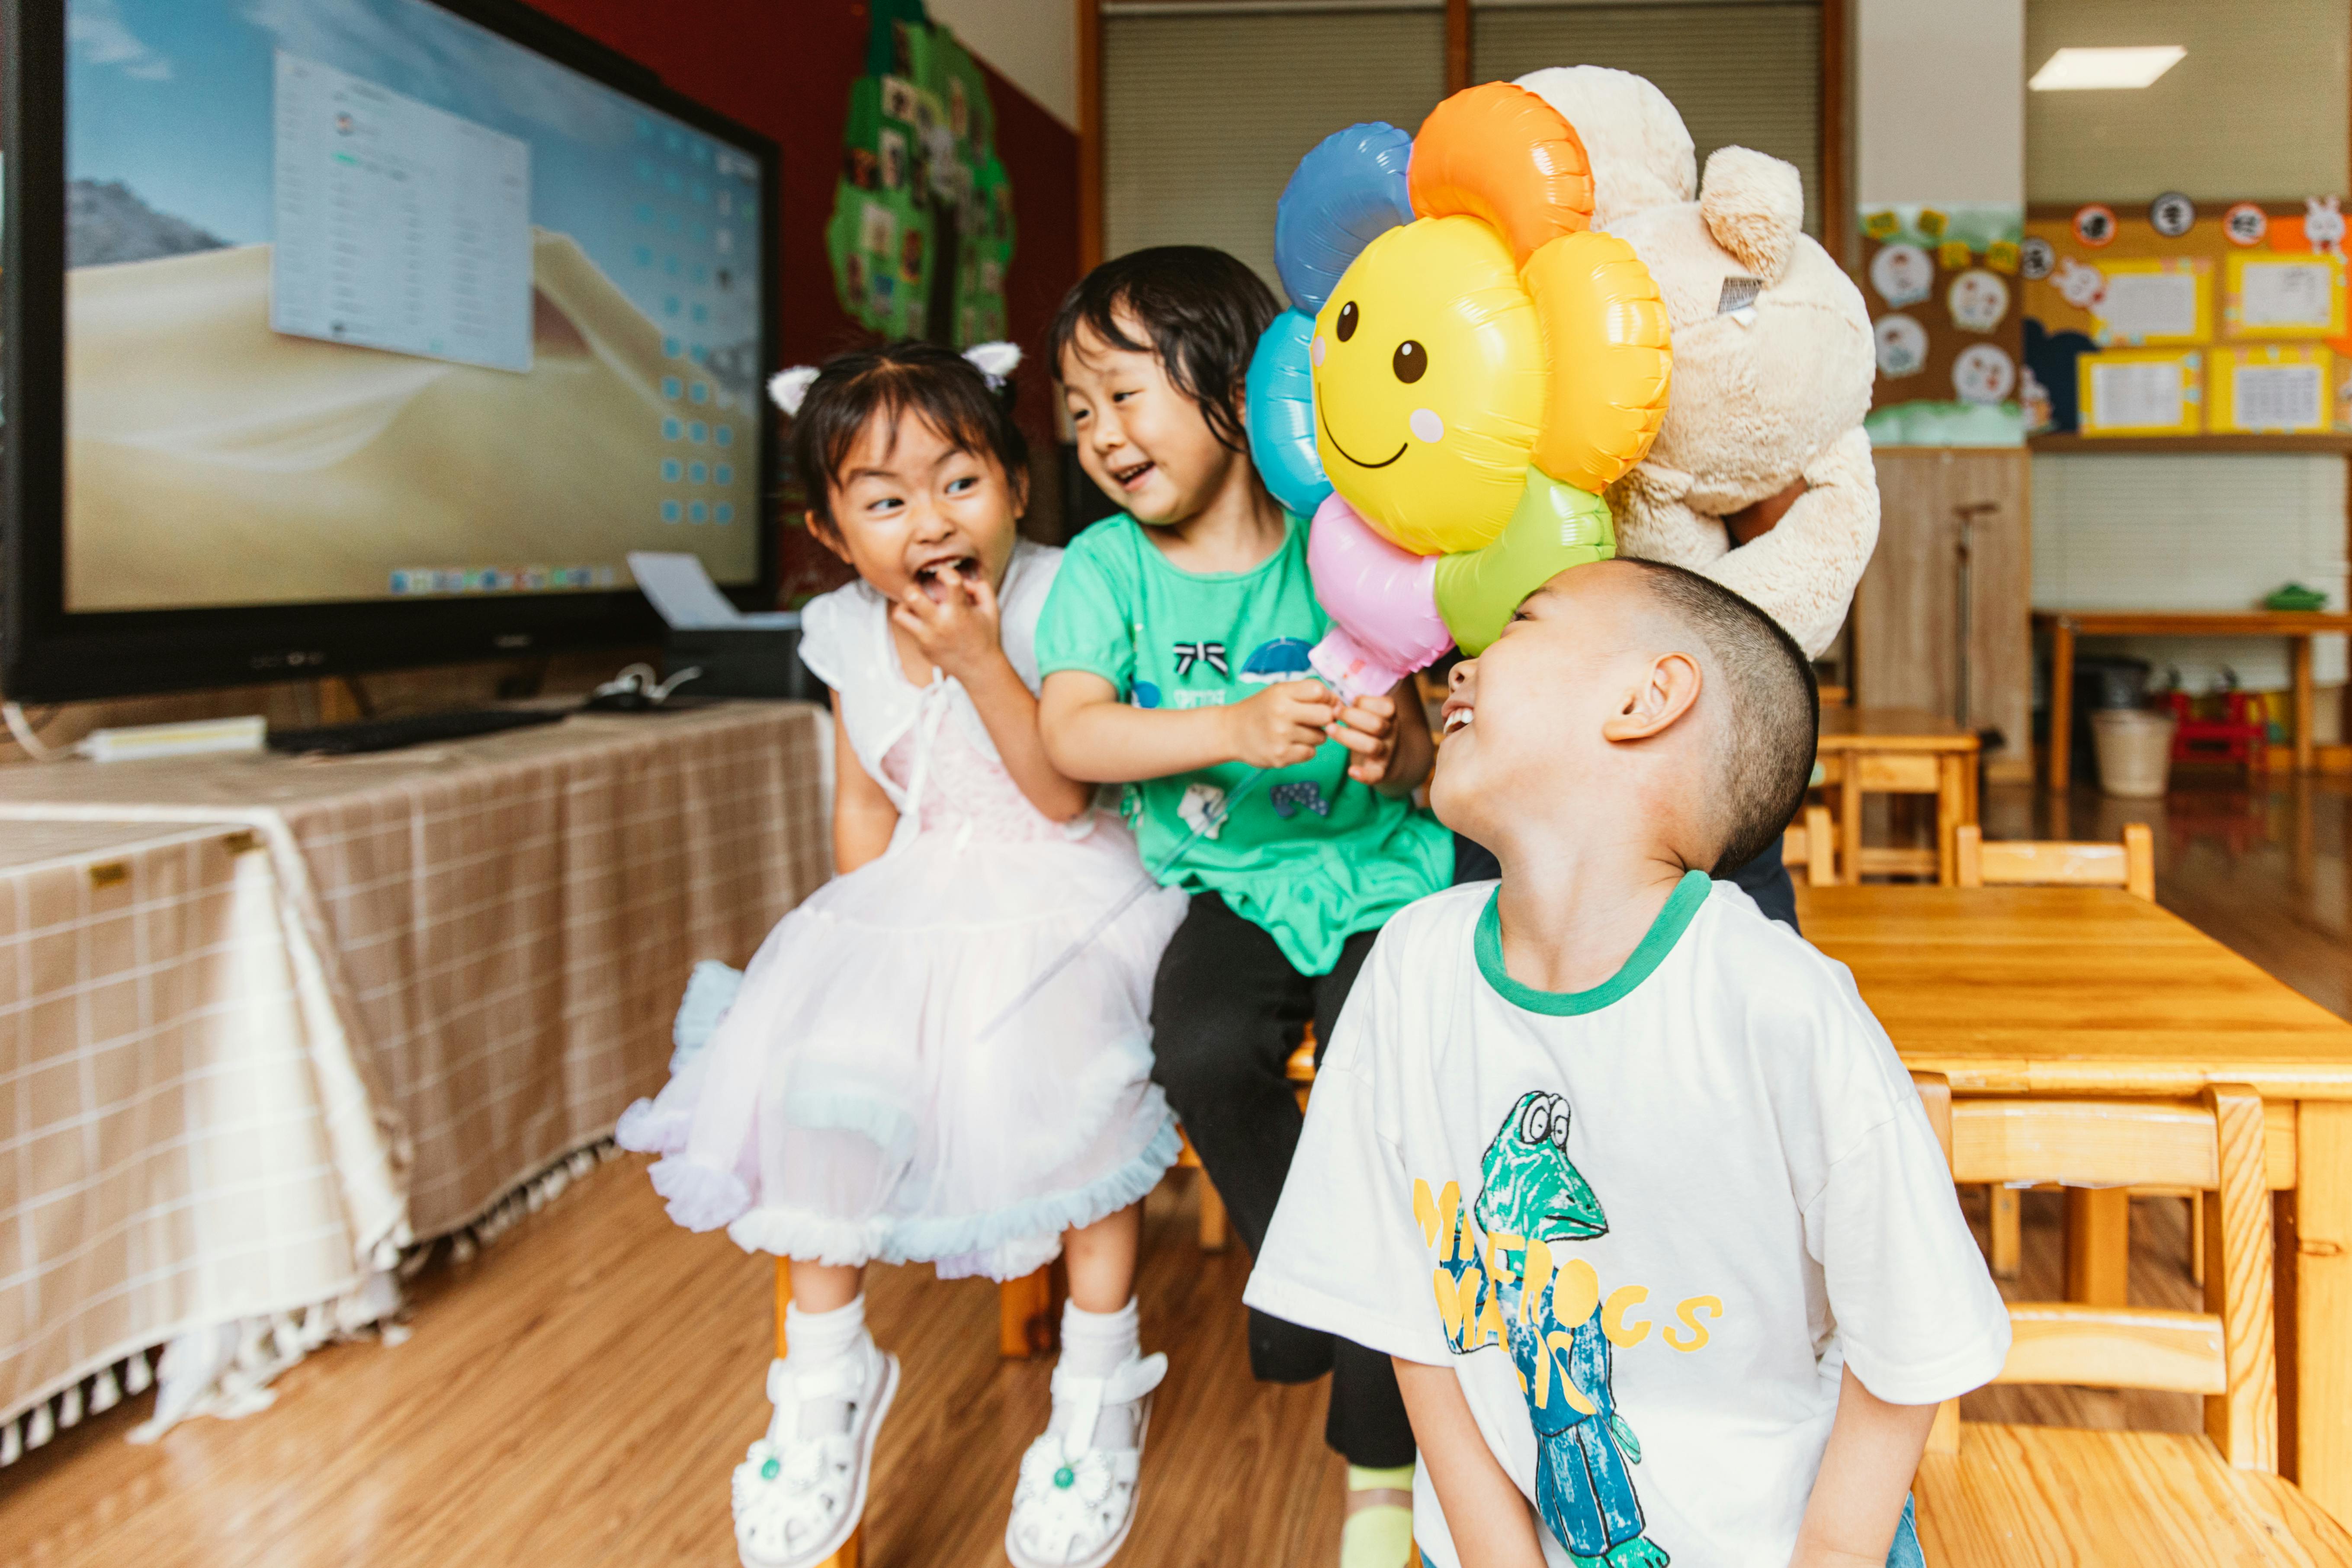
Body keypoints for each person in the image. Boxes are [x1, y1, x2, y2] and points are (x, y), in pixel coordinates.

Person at [1245, 558, 2011, 1568]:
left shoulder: (1779, 1004)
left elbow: (1912, 1337)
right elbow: (1413, 1319)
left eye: (1521, 619)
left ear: (1646, 699)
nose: (1459, 667)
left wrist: (1828, 1555)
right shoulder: (1412, 970)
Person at [616, 340, 1186, 1568]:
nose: (928, 519)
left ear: (1018, 487)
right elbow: (865, 805)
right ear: (831, 531)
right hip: (915, 889)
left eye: (958, 481)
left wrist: (982, 658)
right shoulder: (839, 633)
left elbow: (1060, 801)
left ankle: (1096, 1385)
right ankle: (824, 1382)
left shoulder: (1059, 596)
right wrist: (863, 943)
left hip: (1075, 882)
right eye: (884, 500)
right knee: (816, 1062)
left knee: (1063, 1064)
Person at [1034, 246, 1458, 1568]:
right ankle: (1319, 1300)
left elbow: (1436, 744)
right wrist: (1224, 722)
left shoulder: (1347, 542)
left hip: (1385, 873)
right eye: (1078, 407)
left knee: (1381, 1095)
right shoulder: (1108, 569)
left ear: (1232, 384)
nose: (1101, 434)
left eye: (1126, 395)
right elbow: (1072, 738)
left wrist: (1402, 753)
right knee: (1203, 1052)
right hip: (1232, 887)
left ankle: (1378, 1470)